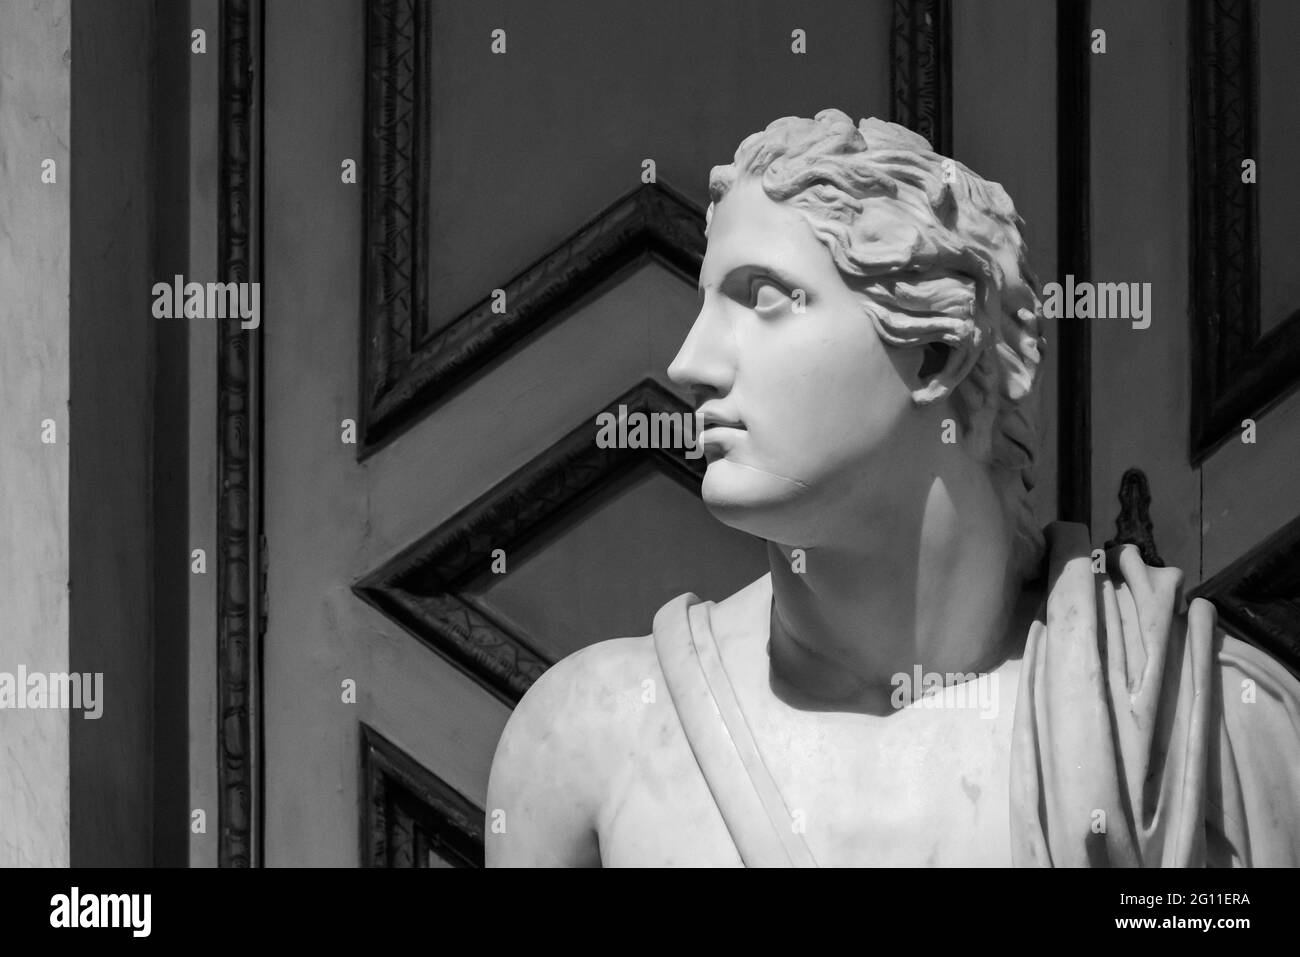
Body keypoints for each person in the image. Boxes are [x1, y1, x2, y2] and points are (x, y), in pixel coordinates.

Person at [486, 109, 1300, 867]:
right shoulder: (592, 742)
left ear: (939, 354)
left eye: (763, 296)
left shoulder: (1207, 735)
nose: (691, 365)